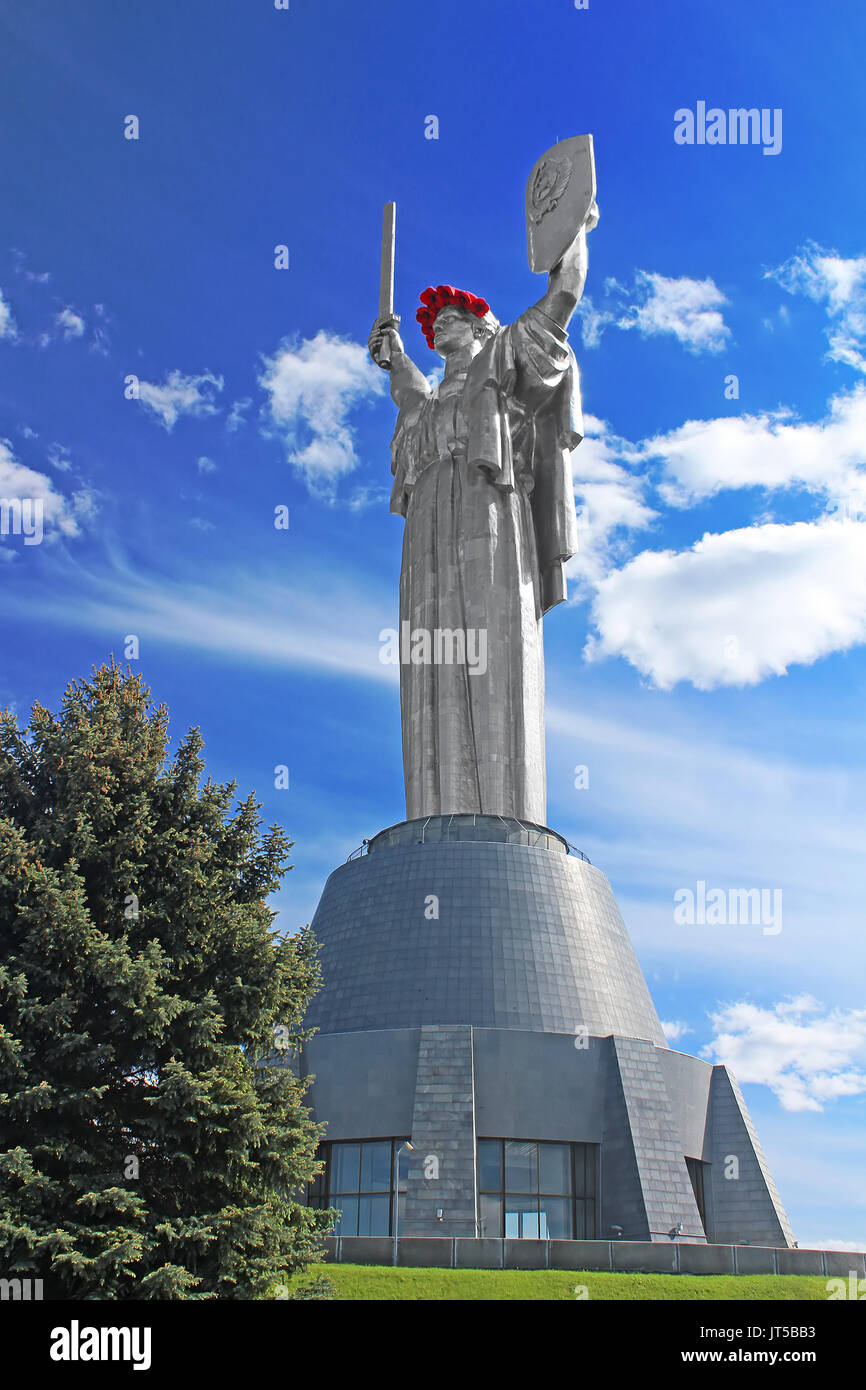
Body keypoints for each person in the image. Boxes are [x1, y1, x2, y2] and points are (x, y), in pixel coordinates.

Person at [368, 204, 598, 824]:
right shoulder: (425, 406)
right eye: (433, 320)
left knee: (492, 655)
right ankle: (436, 820)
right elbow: (411, 392)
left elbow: (563, 298)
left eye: (452, 316)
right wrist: (393, 358)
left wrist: (574, 228)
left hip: (489, 520)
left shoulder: (498, 368)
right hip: (428, 540)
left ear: (479, 328)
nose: (439, 323)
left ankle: (502, 817)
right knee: (432, 669)